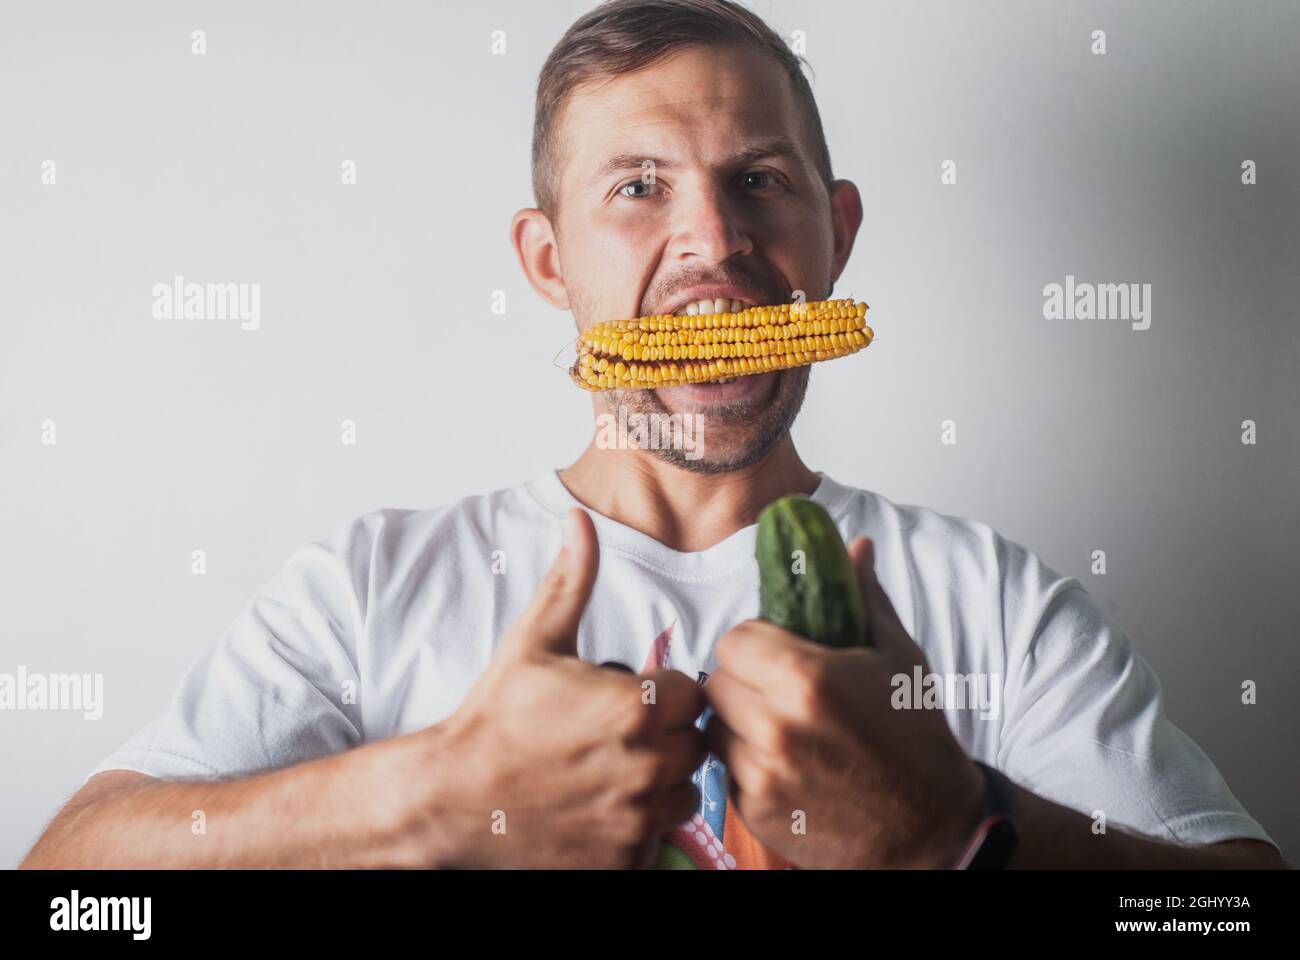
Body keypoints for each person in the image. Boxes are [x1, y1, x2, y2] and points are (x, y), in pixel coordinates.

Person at [23, 0, 1282, 869]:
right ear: (547, 260)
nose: (715, 247)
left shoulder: (992, 602)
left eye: (760, 182)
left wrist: (965, 833)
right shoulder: (369, 595)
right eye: (638, 189)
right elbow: (78, 898)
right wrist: (425, 800)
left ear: (835, 235)